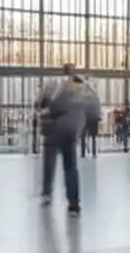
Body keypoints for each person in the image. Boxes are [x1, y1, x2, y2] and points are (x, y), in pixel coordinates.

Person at [37, 72, 99, 216]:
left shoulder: (65, 91)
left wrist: (47, 103)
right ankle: (74, 205)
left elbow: (53, 107)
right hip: (70, 134)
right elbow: (94, 112)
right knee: (70, 168)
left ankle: (47, 194)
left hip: (53, 132)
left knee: (49, 165)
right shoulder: (87, 96)